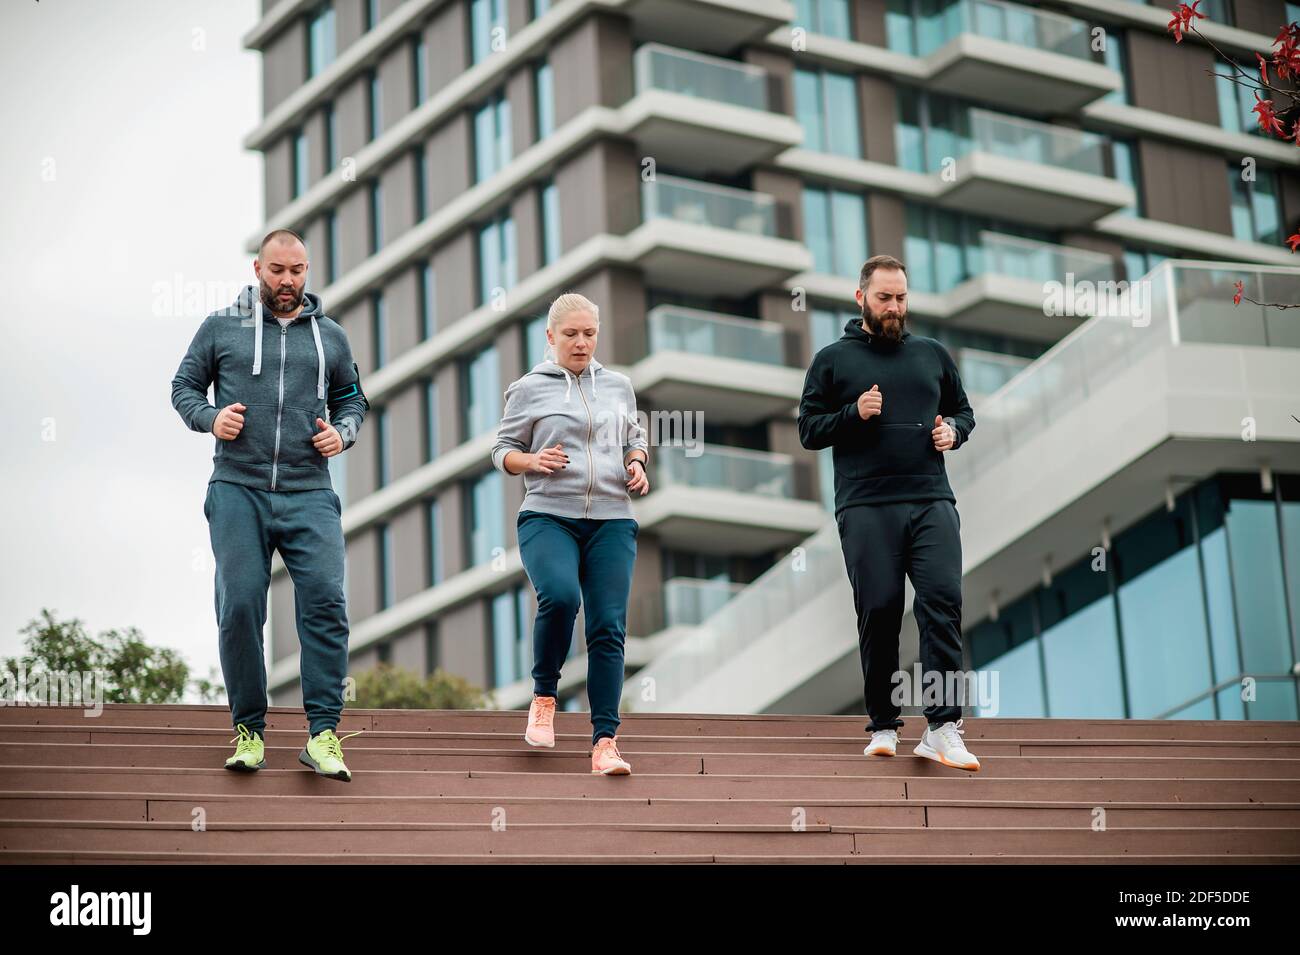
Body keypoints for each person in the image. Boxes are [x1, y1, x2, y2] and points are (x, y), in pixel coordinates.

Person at [170, 229, 369, 781]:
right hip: (238, 487)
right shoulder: (220, 328)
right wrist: (211, 418)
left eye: (297, 271)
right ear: (258, 269)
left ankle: (323, 733)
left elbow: (353, 399)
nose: (287, 281)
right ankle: (249, 731)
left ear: (307, 271)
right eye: (278, 270)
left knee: (326, 602)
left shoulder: (331, 337)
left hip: (310, 492)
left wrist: (343, 433)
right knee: (239, 605)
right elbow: (184, 387)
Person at [797, 254, 981, 772]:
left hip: (931, 500)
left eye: (901, 297)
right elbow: (808, 429)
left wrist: (954, 432)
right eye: (884, 298)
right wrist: (853, 414)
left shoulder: (932, 354)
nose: (895, 307)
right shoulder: (833, 360)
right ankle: (883, 723)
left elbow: (964, 411)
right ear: (861, 298)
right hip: (865, 506)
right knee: (879, 611)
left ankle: (943, 727)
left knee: (943, 604)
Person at [491, 293, 650, 775]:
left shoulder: (619, 386)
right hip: (548, 515)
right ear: (550, 336)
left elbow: (634, 437)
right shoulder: (529, 389)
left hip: (612, 519)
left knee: (608, 626)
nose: (581, 342)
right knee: (560, 597)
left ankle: (605, 742)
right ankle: (544, 698)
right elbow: (501, 450)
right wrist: (532, 460)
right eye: (571, 334)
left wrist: (637, 463)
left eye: (589, 333)